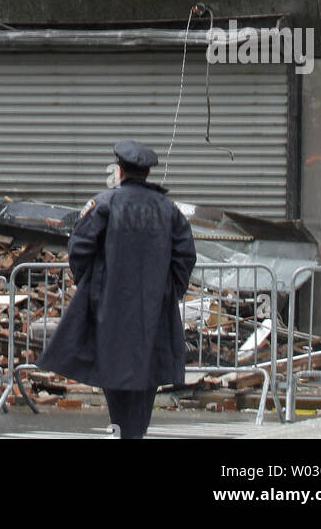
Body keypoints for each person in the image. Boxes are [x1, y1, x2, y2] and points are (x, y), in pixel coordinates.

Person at [37, 138, 197, 439]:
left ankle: (126, 433)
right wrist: (168, 293)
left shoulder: (105, 204)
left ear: (120, 171)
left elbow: (79, 249)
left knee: (116, 379)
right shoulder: (169, 210)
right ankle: (133, 433)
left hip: (111, 309)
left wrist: (93, 288)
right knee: (146, 380)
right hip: (154, 310)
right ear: (147, 174)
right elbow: (185, 256)